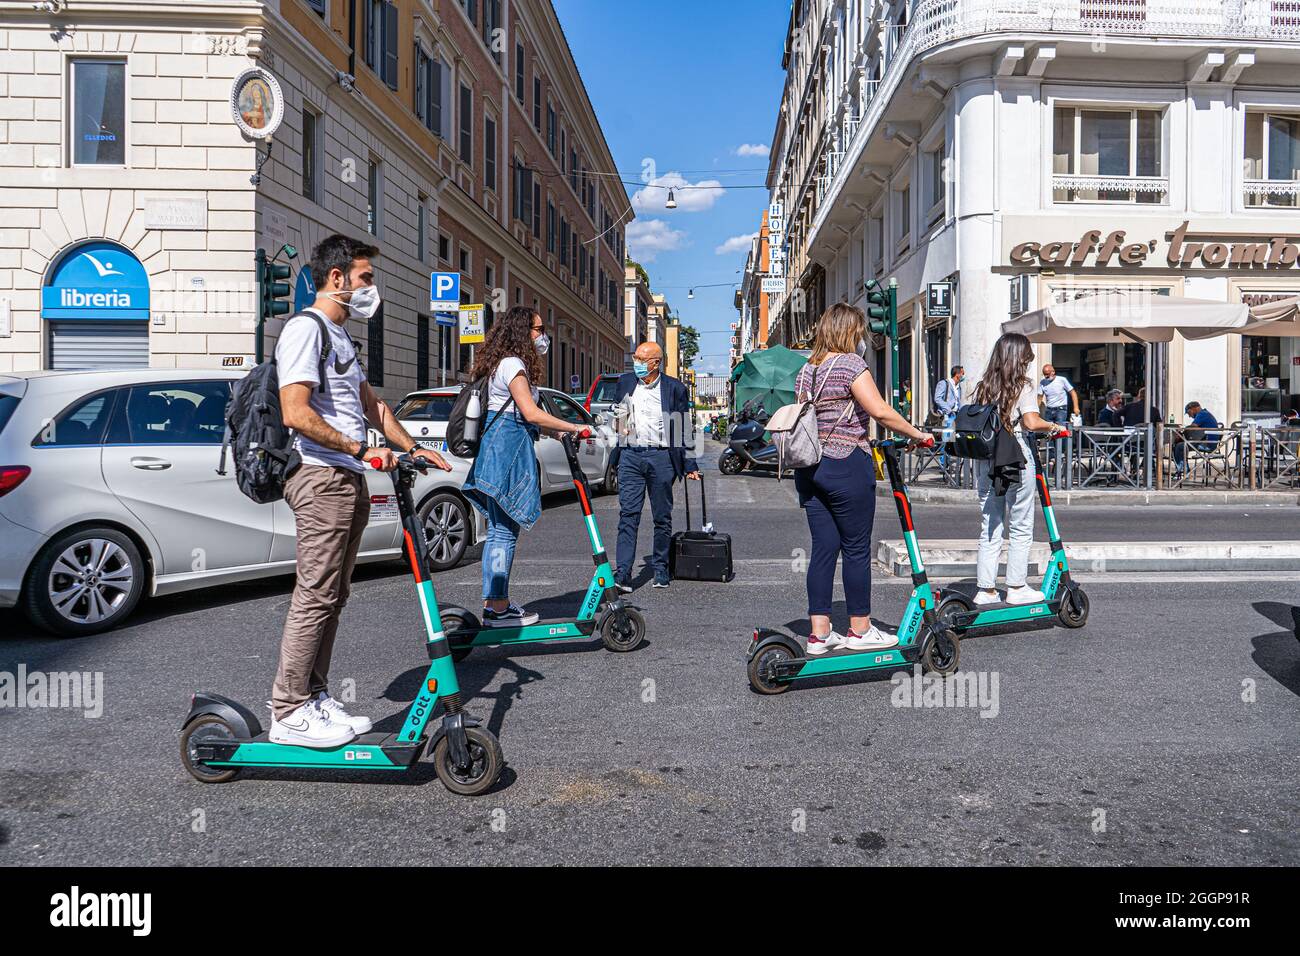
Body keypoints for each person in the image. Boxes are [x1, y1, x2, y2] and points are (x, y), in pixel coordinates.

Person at [271, 234, 452, 748]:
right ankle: (288, 710)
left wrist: (415, 448)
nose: (372, 289)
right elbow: (296, 412)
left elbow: (375, 407)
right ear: (338, 278)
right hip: (320, 475)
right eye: (366, 278)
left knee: (334, 594)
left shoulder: (341, 337)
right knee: (315, 593)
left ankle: (315, 697)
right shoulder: (305, 331)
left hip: (344, 477)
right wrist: (361, 450)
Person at [792, 303, 932, 655]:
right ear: (849, 332)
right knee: (855, 548)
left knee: (823, 549)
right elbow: (880, 410)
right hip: (845, 463)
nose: (862, 338)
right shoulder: (851, 364)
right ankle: (860, 629)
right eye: (859, 332)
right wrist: (919, 435)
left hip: (809, 468)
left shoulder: (806, 370)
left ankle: (819, 634)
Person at [463, 306, 590, 626]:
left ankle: (495, 601)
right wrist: (576, 427)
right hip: (507, 454)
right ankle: (497, 606)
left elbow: (524, 416)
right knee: (503, 533)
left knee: (498, 531)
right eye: (538, 329)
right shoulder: (513, 364)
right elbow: (530, 413)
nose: (543, 336)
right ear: (522, 332)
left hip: (499, 451)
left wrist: (557, 430)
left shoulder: (501, 364)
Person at [972, 332, 1069, 607]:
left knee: (990, 524)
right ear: (1019, 356)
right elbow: (1030, 421)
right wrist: (1055, 427)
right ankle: (1016, 586)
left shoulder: (984, 385)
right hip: (1015, 458)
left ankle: (986, 589)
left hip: (987, 460)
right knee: (1021, 523)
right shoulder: (1022, 384)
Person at [610, 341, 700, 590]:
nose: (635, 362)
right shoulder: (625, 383)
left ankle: (661, 568)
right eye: (635, 357)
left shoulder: (675, 388)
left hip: (661, 458)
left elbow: (683, 427)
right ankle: (623, 573)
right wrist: (618, 426)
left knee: (662, 516)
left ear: (655, 363)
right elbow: (617, 415)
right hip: (630, 455)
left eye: (640, 359)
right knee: (628, 515)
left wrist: (690, 463)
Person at [1172, 401, 1220, 474]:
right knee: (1180, 445)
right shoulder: (1205, 413)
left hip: (1207, 445)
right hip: (1208, 442)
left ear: (1194, 408)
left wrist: (1181, 433)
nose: (1189, 416)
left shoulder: (1202, 414)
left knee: (1179, 446)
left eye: (1189, 412)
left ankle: (1181, 470)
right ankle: (1183, 469)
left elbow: (1192, 428)